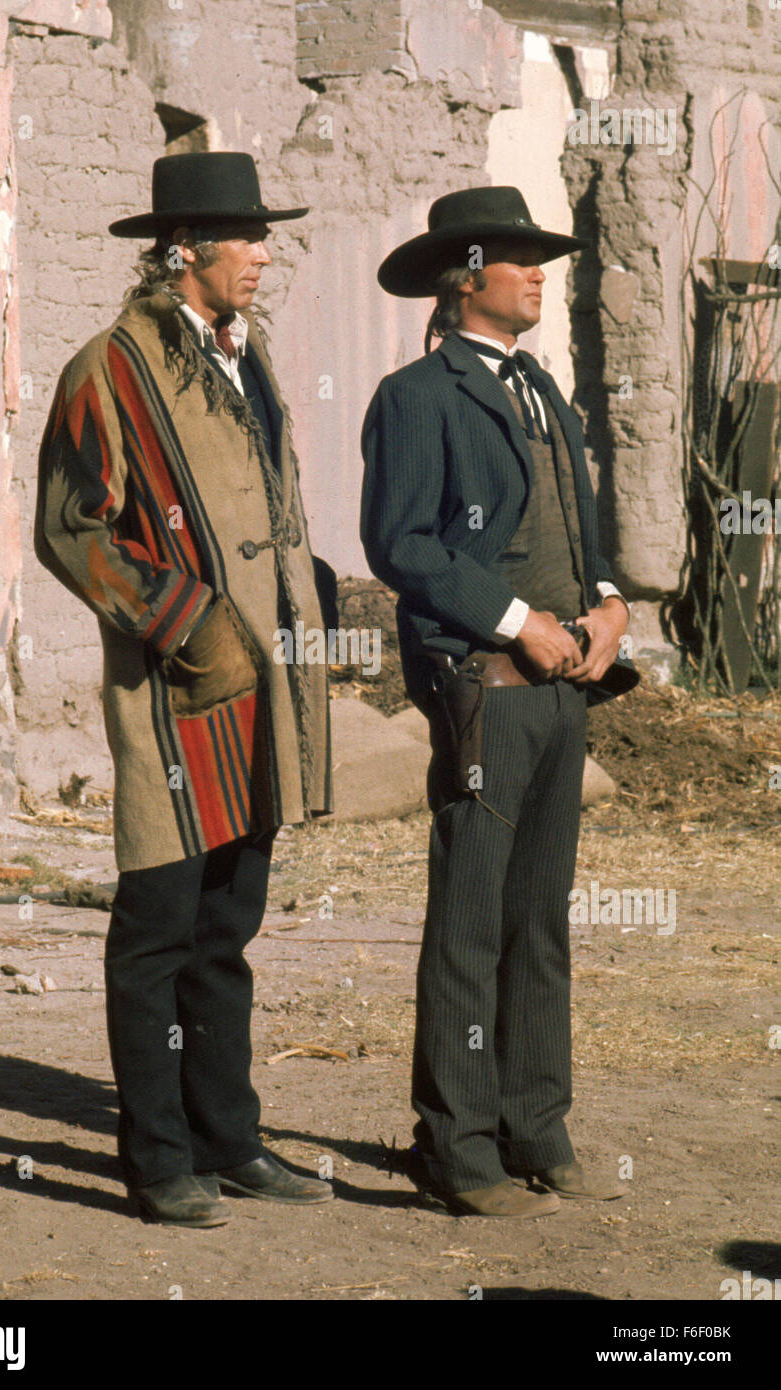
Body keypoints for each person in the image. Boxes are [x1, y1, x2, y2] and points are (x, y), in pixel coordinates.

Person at [34, 152, 333, 1227]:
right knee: (156, 928)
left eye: (263, 233)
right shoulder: (108, 369)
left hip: (260, 702)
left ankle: (231, 1138)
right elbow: (70, 530)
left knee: (227, 929)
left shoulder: (243, 360)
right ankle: (157, 1158)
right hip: (175, 696)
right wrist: (187, 621)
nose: (264, 252)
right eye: (245, 236)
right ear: (182, 252)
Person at [360, 185, 636, 1218]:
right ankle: (457, 1141)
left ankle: (535, 1121)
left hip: (567, 690)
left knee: (540, 922)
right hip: (487, 689)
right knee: (471, 924)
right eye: (517, 258)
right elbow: (403, 545)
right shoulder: (416, 396)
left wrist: (606, 606)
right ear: (464, 275)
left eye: (538, 258)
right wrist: (516, 617)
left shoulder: (545, 393)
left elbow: (583, 529)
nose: (538, 272)